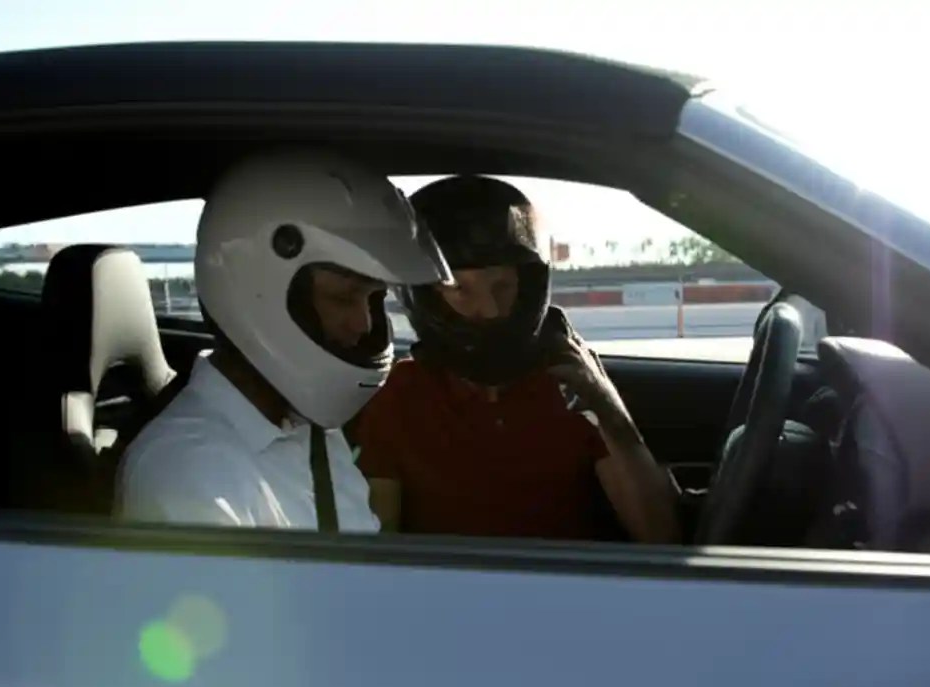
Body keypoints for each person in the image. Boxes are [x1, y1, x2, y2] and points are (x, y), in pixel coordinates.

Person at [117, 151, 451, 531]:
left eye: (374, 299)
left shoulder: (308, 429)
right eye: (343, 297)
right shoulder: (192, 475)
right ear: (256, 291)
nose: (364, 324)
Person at [353, 175, 682, 543]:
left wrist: (610, 411)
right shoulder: (402, 395)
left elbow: (660, 536)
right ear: (425, 295)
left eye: (503, 287)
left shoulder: (570, 381)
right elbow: (379, 550)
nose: (488, 310)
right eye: (460, 290)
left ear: (527, 286)